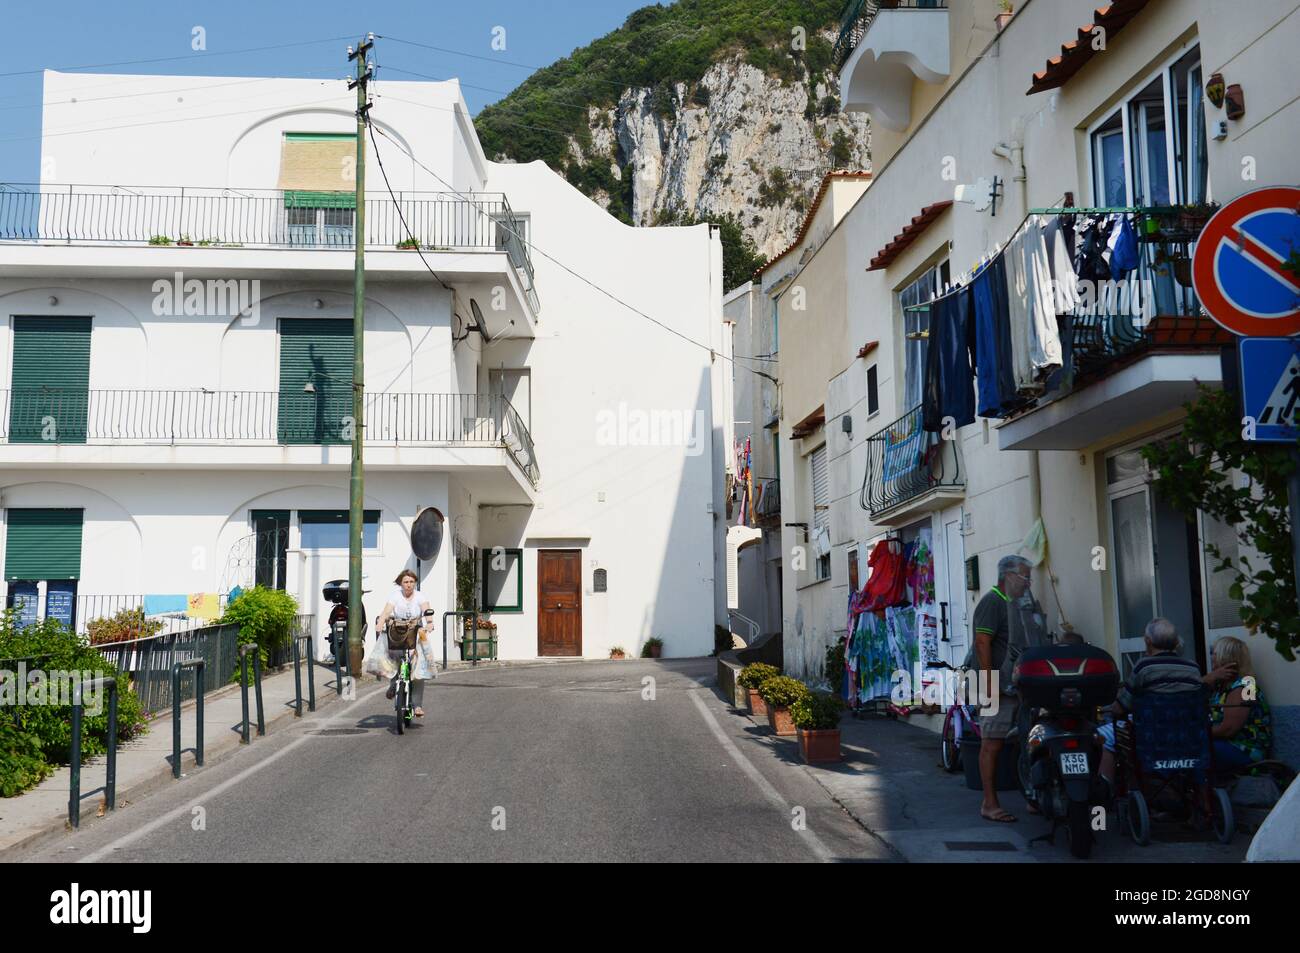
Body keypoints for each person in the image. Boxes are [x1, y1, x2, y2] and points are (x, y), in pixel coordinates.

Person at [1096, 618, 1214, 786]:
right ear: (1176, 642)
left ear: (1148, 641)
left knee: (1103, 736)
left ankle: (1106, 791)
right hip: (1188, 740)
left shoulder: (1144, 667)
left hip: (1151, 740)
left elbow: (1121, 707)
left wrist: (1108, 710)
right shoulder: (1192, 668)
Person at [973, 554, 1041, 823]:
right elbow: (982, 642)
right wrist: (989, 682)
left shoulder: (1019, 605)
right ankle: (989, 804)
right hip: (994, 685)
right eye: (1025, 577)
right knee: (992, 743)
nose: (1028, 583)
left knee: (1029, 740)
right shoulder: (993, 601)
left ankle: (1034, 797)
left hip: (1018, 686)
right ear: (1009, 576)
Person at [375, 569, 434, 718]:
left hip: (415, 632)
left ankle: (417, 705)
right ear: (401, 583)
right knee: (394, 658)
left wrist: (429, 623)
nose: (409, 585)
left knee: (419, 671)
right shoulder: (395, 596)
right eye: (406, 582)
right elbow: (386, 612)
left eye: (411, 582)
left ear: (415, 583)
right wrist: (380, 623)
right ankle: (393, 685)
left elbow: (427, 610)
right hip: (398, 632)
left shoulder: (420, 596)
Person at [1207, 636, 1272, 770]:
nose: (1211, 657)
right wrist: (1209, 678)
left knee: (1195, 750)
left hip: (1245, 750)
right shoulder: (1221, 686)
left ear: (1226, 658)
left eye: (1214, 653)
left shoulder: (1245, 687)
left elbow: (1228, 730)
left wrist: (1198, 733)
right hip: (1225, 745)